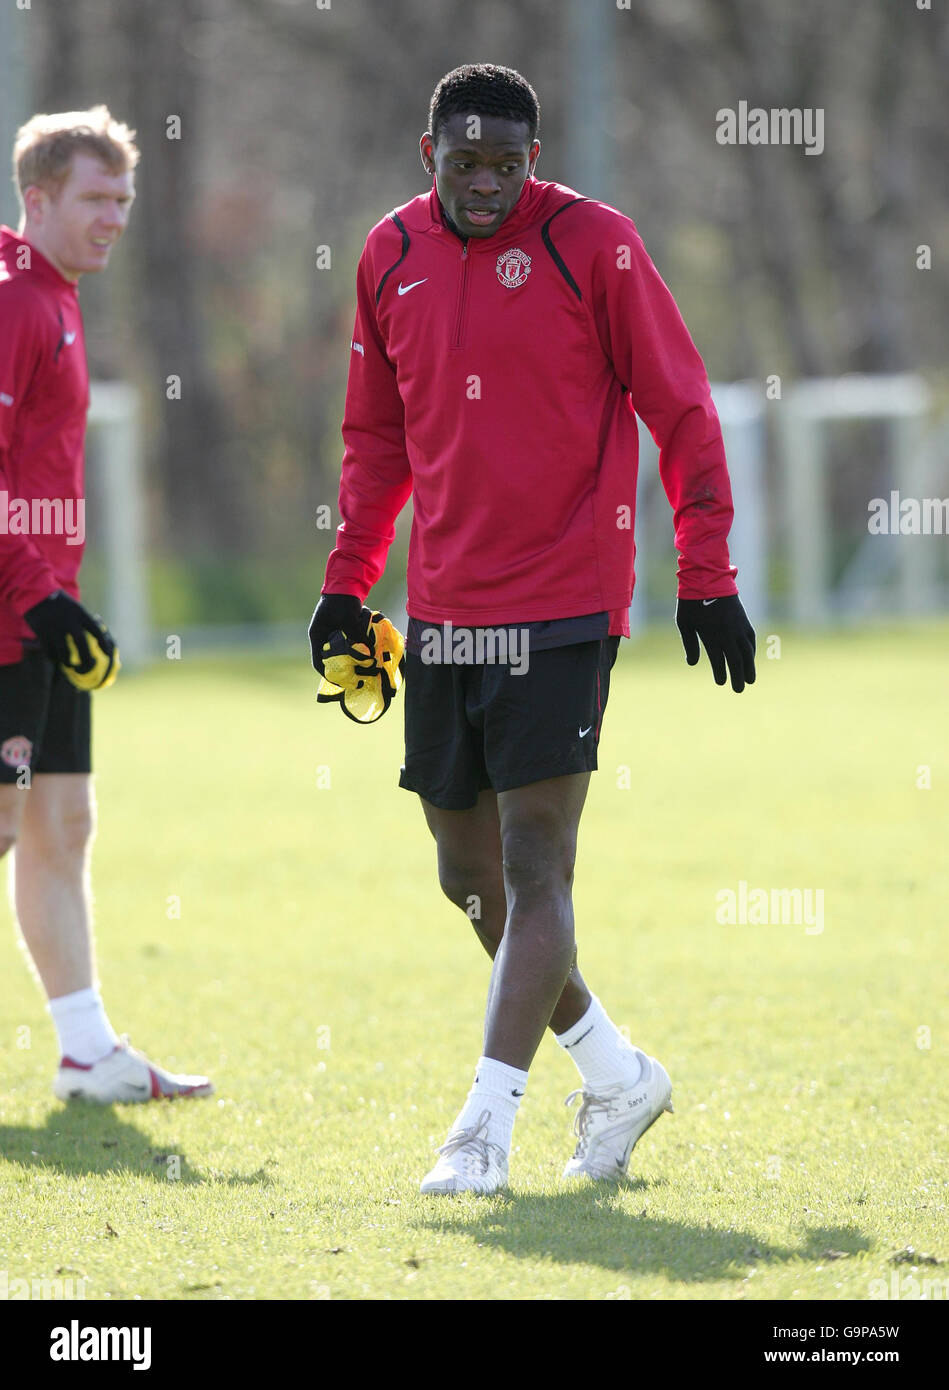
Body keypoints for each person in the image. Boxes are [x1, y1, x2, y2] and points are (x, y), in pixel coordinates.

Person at [309, 65, 755, 1193]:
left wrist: (704, 570)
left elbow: (682, 403)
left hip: (563, 600)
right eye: (466, 164)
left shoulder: (594, 245)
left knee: (535, 862)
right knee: (468, 881)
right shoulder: (387, 255)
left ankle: (482, 1128)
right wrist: (346, 584)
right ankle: (615, 1071)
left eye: (508, 165)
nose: (487, 185)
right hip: (443, 609)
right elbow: (375, 440)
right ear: (430, 158)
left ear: (533, 159)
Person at [0, 107, 212, 1103]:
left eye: (123, 199)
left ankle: (85, 1052)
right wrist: (36, 596)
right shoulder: (12, 302)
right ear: (36, 198)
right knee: (5, 825)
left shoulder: (60, 295)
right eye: (94, 197)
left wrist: (60, 599)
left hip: (43, 608)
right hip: (9, 613)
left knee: (63, 823)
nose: (115, 217)